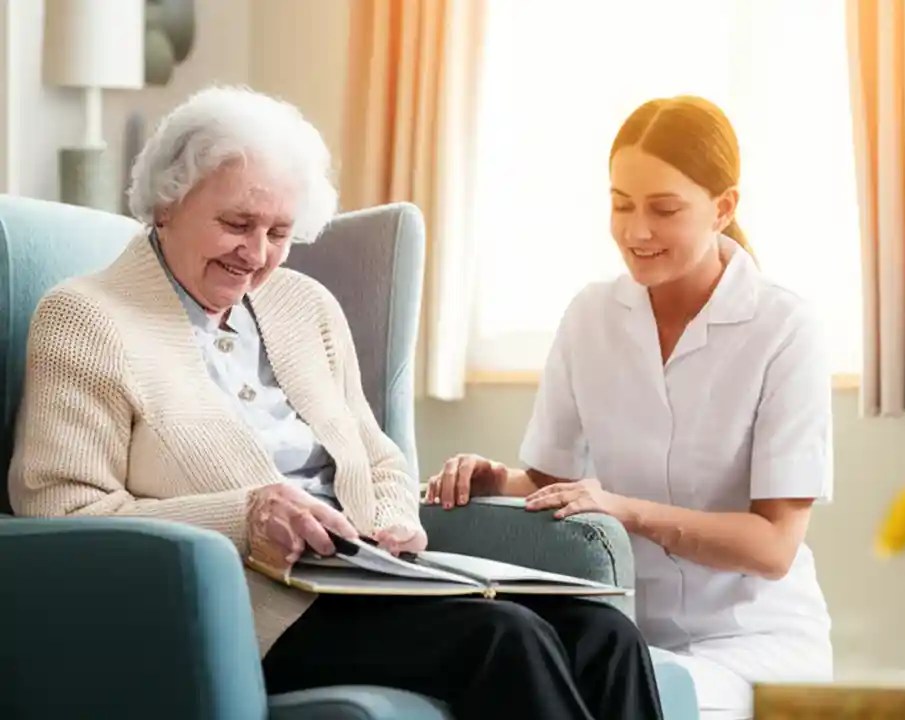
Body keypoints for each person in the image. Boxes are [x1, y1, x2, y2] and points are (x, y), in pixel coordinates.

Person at [7, 86, 663, 720]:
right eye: (237, 224)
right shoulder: (86, 320)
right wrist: (247, 517)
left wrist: (392, 520)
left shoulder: (306, 307)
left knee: (605, 634)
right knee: (503, 637)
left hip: (367, 583)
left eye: (279, 232)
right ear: (168, 203)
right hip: (246, 612)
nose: (257, 254)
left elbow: (380, 458)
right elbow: (63, 510)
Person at [426, 95, 834, 719]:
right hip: (621, 631)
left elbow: (773, 545)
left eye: (664, 210)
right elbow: (551, 482)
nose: (636, 231)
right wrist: (495, 483)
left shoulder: (783, 327)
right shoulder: (591, 316)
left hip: (748, 643)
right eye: (621, 205)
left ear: (723, 208)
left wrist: (628, 512)